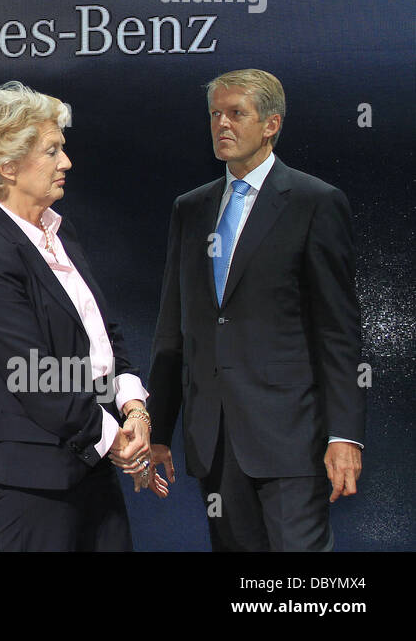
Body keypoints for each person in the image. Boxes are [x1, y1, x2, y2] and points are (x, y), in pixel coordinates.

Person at [147, 69, 365, 551]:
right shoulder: (191, 208)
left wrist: (344, 435)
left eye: (236, 114)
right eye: (215, 115)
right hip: (214, 440)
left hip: (291, 439)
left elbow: (338, 332)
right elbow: (172, 328)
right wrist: (160, 430)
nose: (222, 124)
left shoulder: (315, 201)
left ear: (271, 124)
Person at [0, 81, 158, 551]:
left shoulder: (57, 234)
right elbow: (33, 374)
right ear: (7, 166)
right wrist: (117, 440)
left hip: (93, 457)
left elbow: (105, 336)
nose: (66, 162)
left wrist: (134, 408)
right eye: (52, 151)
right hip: (38, 477)